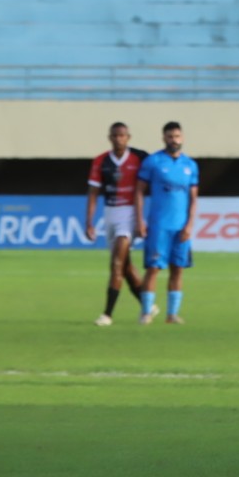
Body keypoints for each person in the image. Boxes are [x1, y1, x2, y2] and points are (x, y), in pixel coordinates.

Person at [86, 122, 150, 326]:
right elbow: (93, 193)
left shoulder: (139, 158)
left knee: (116, 264)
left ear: (128, 137)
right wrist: (89, 222)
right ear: (110, 138)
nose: (118, 139)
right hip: (110, 214)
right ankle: (147, 305)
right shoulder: (101, 161)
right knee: (126, 266)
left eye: (122, 135)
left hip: (130, 214)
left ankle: (107, 314)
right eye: (115, 135)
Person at [135, 121, 199, 324]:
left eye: (177, 136)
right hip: (158, 226)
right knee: (153, 268)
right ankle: (146, 312)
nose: (174, 140)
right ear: (164, 138)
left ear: (183, 138)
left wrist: (189, 225)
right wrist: (140, 220)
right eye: (170, 137)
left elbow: (194, 198)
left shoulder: (190, 165)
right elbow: (138, 191)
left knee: (177, 269)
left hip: (181, 227)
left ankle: (172, 314)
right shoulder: (153, 162)